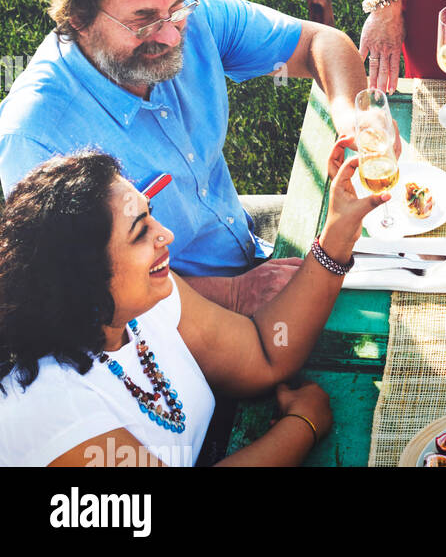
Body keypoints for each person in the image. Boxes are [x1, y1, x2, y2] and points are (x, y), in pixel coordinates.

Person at [0, 0, 393, 312]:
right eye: (144, 22)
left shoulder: (187, 11)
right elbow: (79, 297)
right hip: (173, 322)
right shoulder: (34, 138)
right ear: (78, 19)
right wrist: (234, 294)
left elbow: (322, 42)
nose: (171, 36)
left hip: (243, 241)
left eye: (177, 10)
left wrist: (357, 121)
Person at [0, 140, 388, 466]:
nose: (164, 234)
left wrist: (337, 238)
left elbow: (267, 351)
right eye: (140, 233)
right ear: (83, 279)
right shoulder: (52, 410)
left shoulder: (139, 302)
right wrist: (303, 425)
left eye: (150, 215)